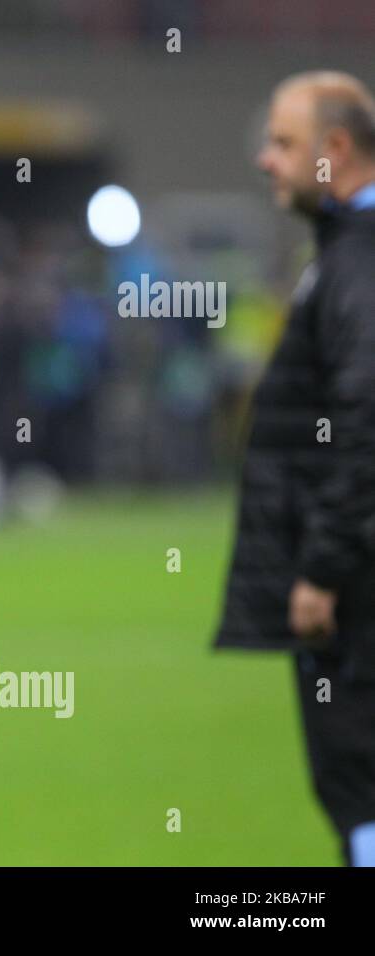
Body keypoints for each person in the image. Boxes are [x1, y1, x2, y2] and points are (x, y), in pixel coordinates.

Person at [213, 71, 375, 866]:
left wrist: (321, 567)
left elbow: (367, 420)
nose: (265, 160)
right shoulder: (343, 254)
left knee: (362, 793)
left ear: (334, 150)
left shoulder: (359, 263)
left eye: (282, 143)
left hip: (356, 596)